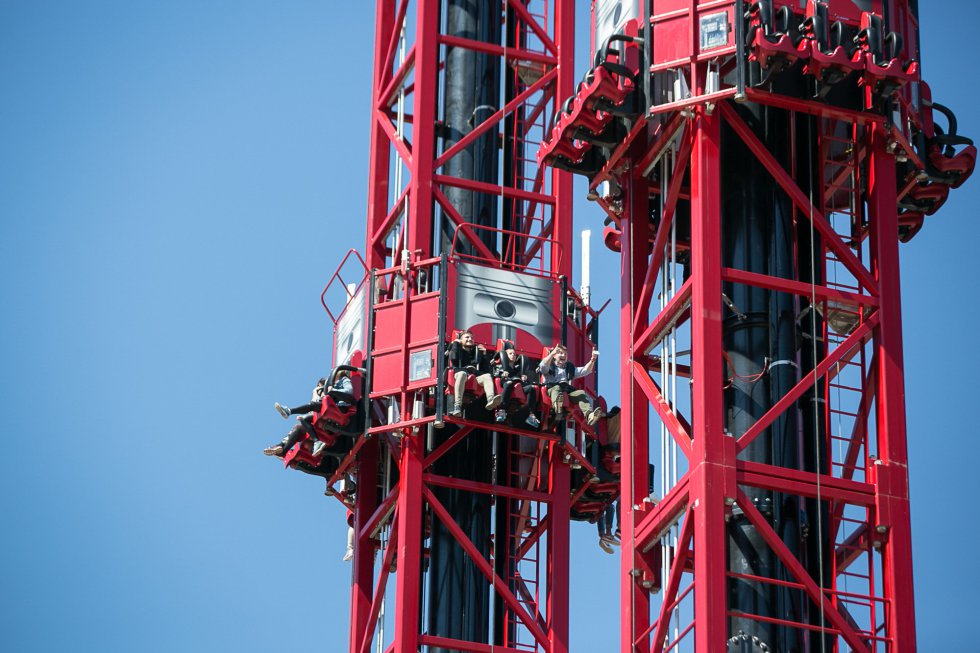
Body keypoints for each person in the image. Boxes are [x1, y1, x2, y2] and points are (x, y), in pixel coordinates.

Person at [263, 372, 355, 457]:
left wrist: (331, 390)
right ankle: (283, 449)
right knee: (300, 425)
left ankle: (289, 411)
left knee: (310, 410)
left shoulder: (343, 380)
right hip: (327, 409)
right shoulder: (329, 387)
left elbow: (348, 392)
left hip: (340, 408)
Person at [536, 343, 604, 425]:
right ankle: (557, 406)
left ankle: (589, 415)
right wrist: (552, 354)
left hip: (566, 391)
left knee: (581, 393)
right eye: (560, 353)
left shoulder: (569, 368)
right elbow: (543, 366)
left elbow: (585, 371)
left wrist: (592, 360)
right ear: (554, 355)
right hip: (552, 389)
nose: (563, 355)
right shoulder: (550, 366)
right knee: (556, 388)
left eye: (565, 354)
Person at [447, 330, 499, 417]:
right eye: (467, 337)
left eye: (471, 338)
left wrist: (485, 354)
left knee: (487, 376)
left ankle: (490, 399)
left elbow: (487, 370)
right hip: (460, 374)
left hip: (475, 376)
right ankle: (457, 405)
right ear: (460, 340)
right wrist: (456, 344)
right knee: (462, 374)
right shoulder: (456, 348)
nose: (470, 339)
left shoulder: (476, 352)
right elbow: (453, 358)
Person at [492, 342, 541, 428]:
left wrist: (524, 379)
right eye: (510, 354)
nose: (513, 355)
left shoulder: (518, 369)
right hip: (506, 383)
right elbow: (495, 373)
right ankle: (502, 410)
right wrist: (503, 374)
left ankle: (531, 415)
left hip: (517, 386)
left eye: (514, 354)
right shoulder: (501, 367)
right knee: (509, 383)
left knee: (532, 388)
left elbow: (522, 382)